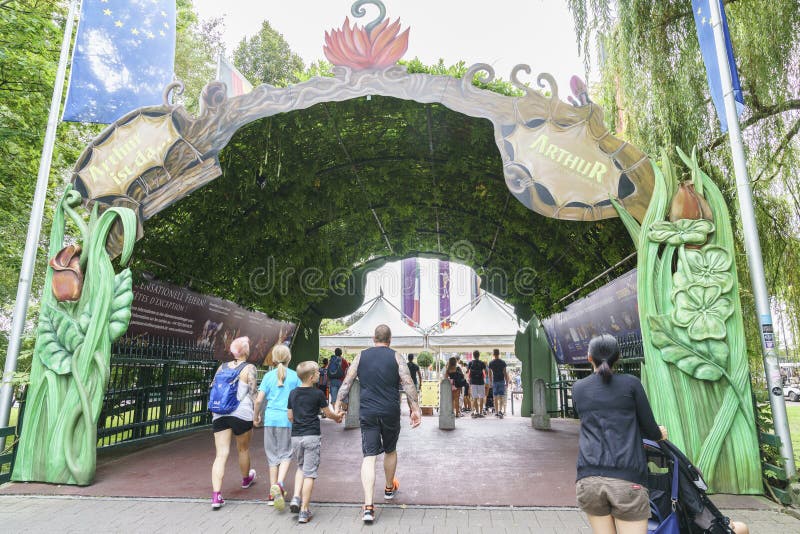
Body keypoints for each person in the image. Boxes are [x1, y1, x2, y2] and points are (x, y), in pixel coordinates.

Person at [572, 334, 667, 534]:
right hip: (626, 479)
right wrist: (660, 433)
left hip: (589, 480)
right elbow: (650, 429)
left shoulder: (578, 388)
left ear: (589, 358)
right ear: (618, 357)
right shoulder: (631, 384)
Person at [335, 324, 421, 523]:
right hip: (390, 411)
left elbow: (347, 381)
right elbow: (408, 382)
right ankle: (389, 489)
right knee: (390, 450)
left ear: (373, 338)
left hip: (368, 412)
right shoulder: (396, 356)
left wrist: (338, 402)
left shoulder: (361, 356)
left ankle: (368, 507)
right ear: (390, 340)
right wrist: (415, 408)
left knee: (369, 456)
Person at [287, 361, 343, 524]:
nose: (320, 374)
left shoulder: (293, 393)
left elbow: (290, 416)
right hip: (311, 436)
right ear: (311, 377)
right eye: (318, 372)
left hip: (296, 436)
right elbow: (328, 414)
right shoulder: (318, 394)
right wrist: (337, 417)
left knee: (300, 467)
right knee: (310, 473)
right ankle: (304, 510)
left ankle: (296, 497)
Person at [209, 336, 258, 510]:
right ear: (246, 351)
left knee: (221, 454)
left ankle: (216, 495)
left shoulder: (221, 367)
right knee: (243, 449)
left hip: (219, 412)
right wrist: (258, 413)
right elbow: (253, 393)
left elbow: (213, 387)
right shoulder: (249, 368)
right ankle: (246, 479)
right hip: (241, 413)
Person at [253, 344, 300, 510]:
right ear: (289, 358)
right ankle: (279, 483)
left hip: (270, 419)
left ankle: (272, 495)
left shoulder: (268, 377)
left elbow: (259, 400)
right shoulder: (295, 376)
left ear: (273, 359)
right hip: (287, 420)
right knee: (286, 453)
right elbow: (300, 399)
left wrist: (255, 416)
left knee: (272, 456)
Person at [488, 349, 510, 418]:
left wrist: (490, 382)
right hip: (501, 381)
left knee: (495, 397)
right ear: (499, 354)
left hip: (495, 381)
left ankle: (496, 412)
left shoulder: (491, 363)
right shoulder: (503, 362)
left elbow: (490, 374)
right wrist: (507, 382)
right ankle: (500, 411)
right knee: (501, 397)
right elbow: (505, 373)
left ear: (493, 354)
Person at [466, 350, 487, 418]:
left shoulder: (470, 363)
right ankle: (481, 412)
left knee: (474, 397)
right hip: (481, 382)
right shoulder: (482, 363)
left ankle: (477, 412)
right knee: (481, 397)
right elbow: (486, 371)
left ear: (473, 355)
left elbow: (467, 371)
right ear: (479, 355)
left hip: (473, 382)